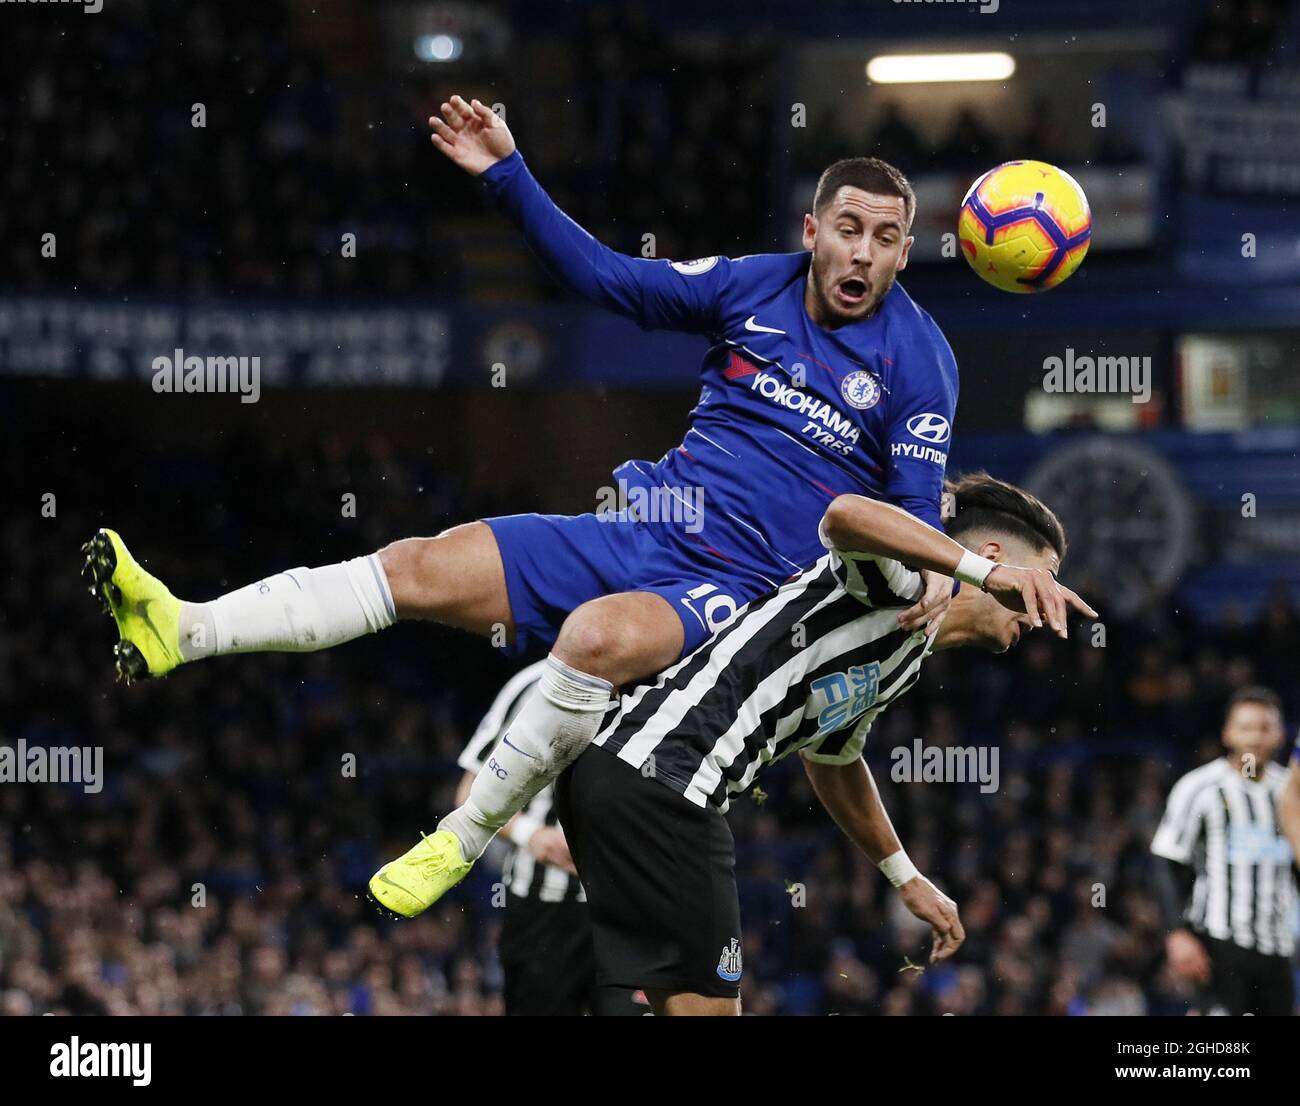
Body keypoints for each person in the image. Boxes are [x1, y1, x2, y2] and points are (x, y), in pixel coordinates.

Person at [85, 93, 961, 920]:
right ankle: (182, 629)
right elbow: (609, 279)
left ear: (904, 250)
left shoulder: (919, 359)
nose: (864, 254)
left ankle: (461, 840)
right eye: (848, 230)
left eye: (886, 239)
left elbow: (915, 508)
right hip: (640, 527)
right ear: (813, 232)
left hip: (743, 592)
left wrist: (942, 575)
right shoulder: (750, 286)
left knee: (594, 641)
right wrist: (506, 172)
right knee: (418, 566)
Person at [554, 473, 1094, 1015]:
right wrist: (981, 574)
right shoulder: (905, 582)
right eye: (1043, 580)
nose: (1044, 608)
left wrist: (904, 878)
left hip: (628, 778)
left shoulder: (907, 658)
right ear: (994, 555)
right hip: (667, 776)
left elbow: (833, 759)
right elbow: (844, 516)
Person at [455, 662, 643, 1015]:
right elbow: (470, 793)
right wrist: (532, 836)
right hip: (544, 912)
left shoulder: (671, 681)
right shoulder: (537, 686)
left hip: (633, 911)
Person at [1151, 686, 1297, 1016]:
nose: (1255, 738)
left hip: (1279, 947)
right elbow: (1164, 863)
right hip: (1219, 944)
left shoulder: (1291, 792)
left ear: (1279, 734)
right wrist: (1176, 934)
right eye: (1246, 728)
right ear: (1227, 733)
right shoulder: (1200, 787)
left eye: (1264, 728)